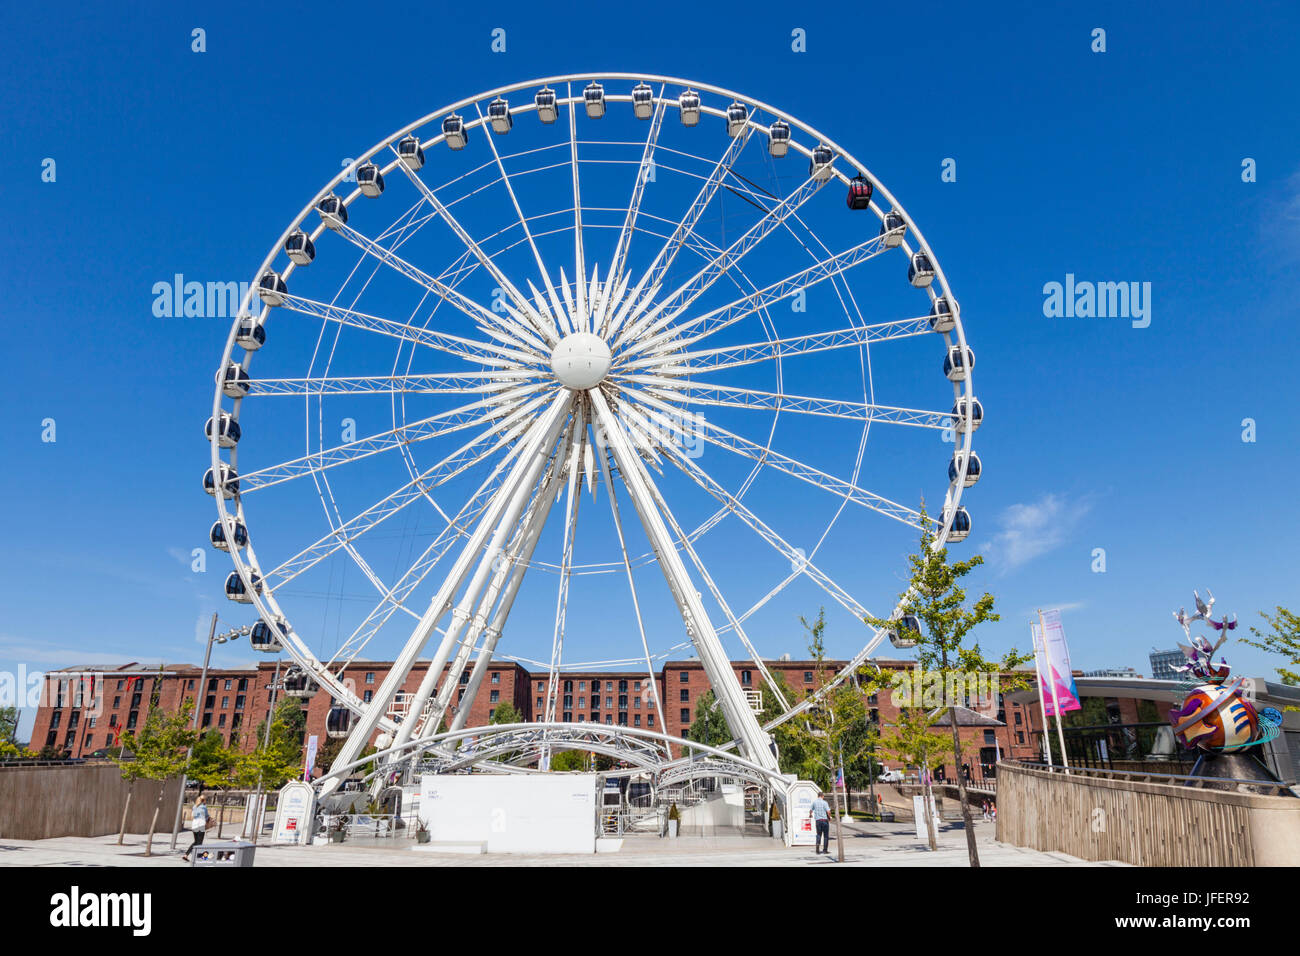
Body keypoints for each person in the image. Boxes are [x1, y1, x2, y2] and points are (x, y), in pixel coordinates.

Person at [181, 794, 210, 863]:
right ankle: (198, 858)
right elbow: (206, 816)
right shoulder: (204, 807)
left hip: (194, 825)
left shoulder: (194, 807)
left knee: (196, 842)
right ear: (204, 800)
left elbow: (192, 815)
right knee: (199, 843)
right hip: (201, 825)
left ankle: (186, 855)